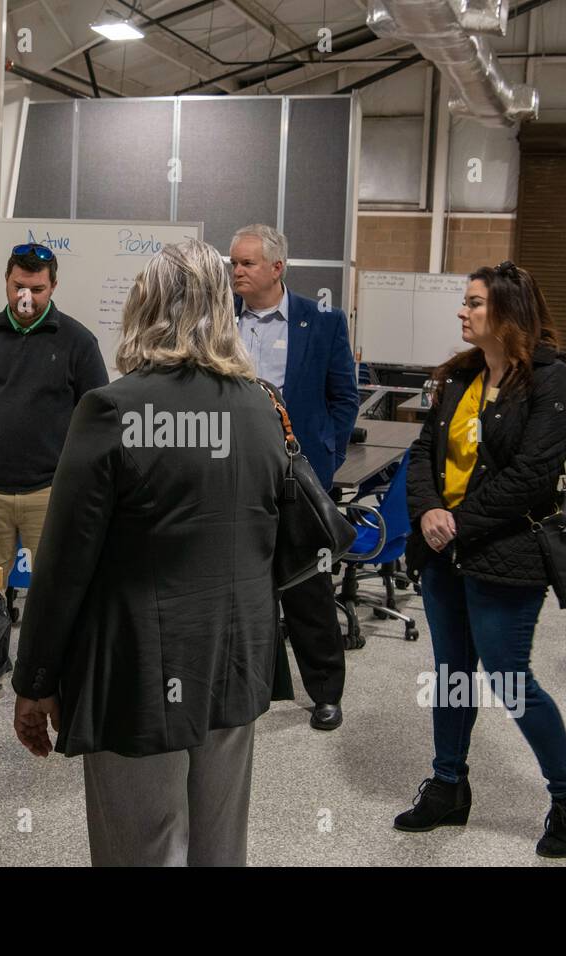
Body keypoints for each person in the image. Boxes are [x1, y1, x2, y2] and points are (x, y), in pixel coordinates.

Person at [10, 239, 288, 866]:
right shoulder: (262, 407)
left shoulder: (114, 409)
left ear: (145, 304)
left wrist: (35, 680)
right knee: (220, 850)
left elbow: (63, 562)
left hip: (139, 667)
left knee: (141, 847)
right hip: (235, 658)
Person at [398, 261, 566, 858]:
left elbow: (532, 477)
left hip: (503, 552)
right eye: (465, 301)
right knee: (452, 673)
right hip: (443, 553)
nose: (463, 311)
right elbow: (425, 449)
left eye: (475, 303)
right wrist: (429, 509)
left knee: (509, 678)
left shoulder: (550, 381)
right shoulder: (459, 376)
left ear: (510, 312)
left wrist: (456, 523)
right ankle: (449, 786)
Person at [228, 224, 359, 731]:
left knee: (308, 585)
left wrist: (327, 453)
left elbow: (344, 396)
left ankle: (325, 692)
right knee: (238, 586)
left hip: (296, 477)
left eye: (248, 263)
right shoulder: (218, 320)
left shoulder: (322, 321)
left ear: (277, 268)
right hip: (232, 473)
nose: (237, 271)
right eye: (234, 263)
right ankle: (240, 687)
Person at [0, 243, 108, 586]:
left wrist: (74, 481)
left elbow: (99, 419)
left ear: (54, 287)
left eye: (37, 289)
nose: (25, 297)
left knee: (56, 593)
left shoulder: (78, 341)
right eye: (18, 287)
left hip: (50, 493)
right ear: (6, 281)